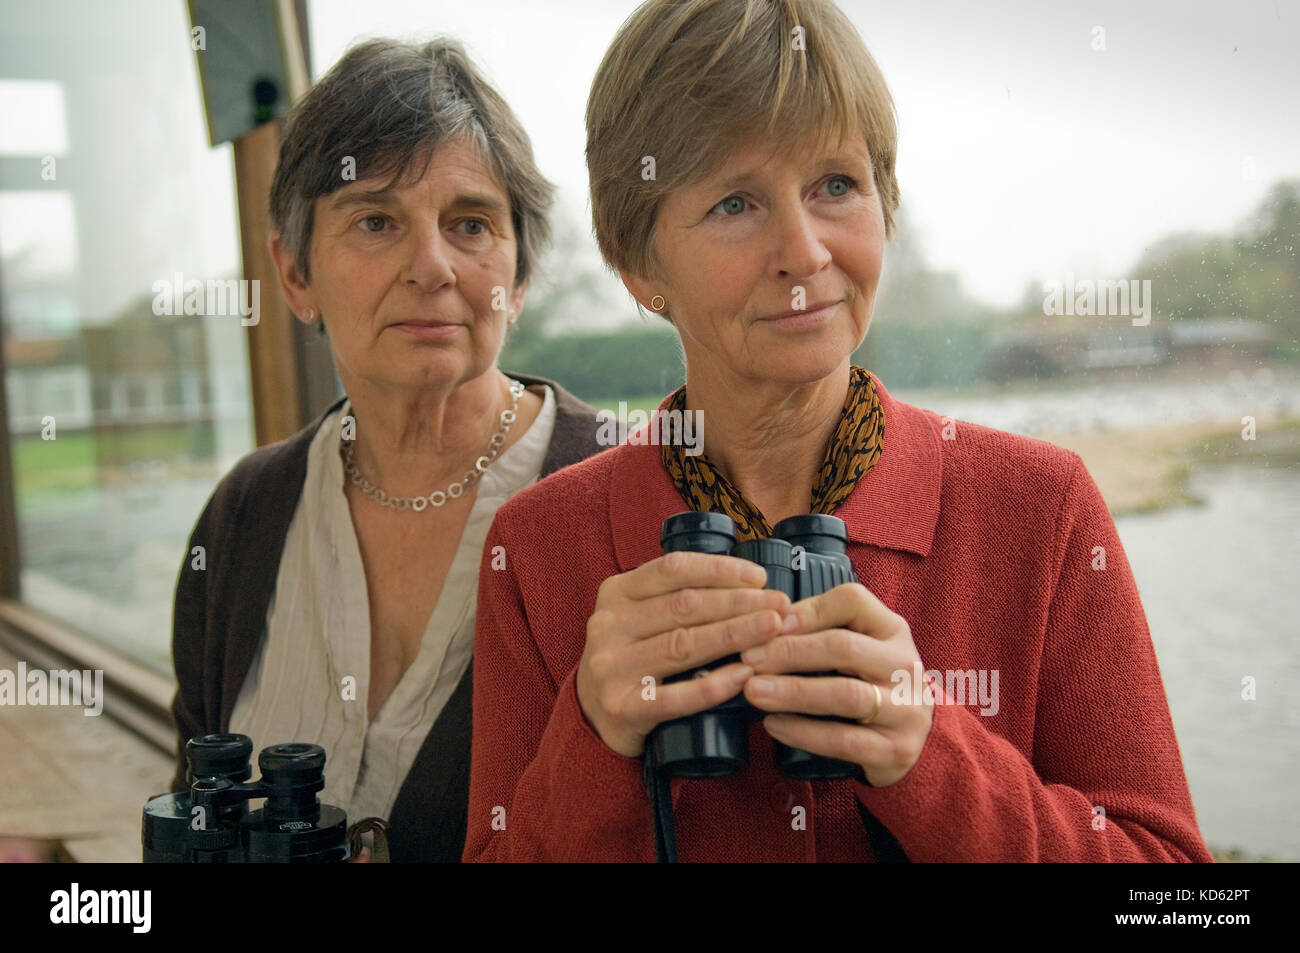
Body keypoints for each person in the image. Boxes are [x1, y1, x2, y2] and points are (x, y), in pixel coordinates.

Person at [462, 0, 1211, 861]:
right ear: (638, 262)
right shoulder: (539, 550)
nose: (805, 251)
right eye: (736, 202)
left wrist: (930, 758)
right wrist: (593, 741)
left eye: (836, 186)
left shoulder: (1043, 510)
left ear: (884, 205)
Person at [168, 37, 603, 862]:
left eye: (470, 223)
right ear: (294, 274)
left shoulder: (625, 500)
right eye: (375, 220)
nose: (432, 266)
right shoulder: (241, 517)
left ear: (521, 273)